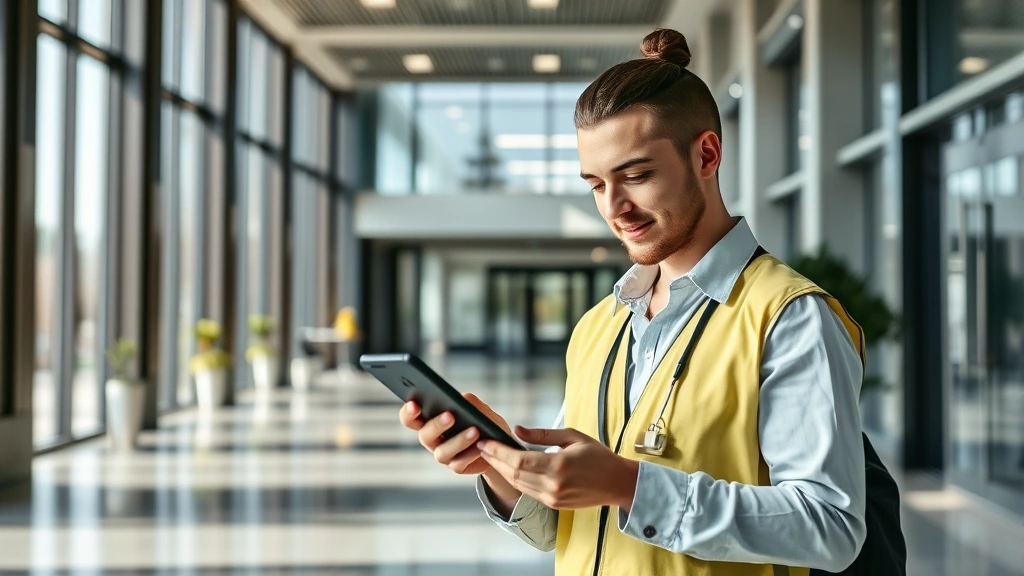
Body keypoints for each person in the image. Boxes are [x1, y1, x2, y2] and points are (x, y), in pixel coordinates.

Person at [399, 28, 867, 576]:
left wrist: (629, 484)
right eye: (596, 185)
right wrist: (497, 463)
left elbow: (830, 527)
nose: (615, 207)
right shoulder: (599, 325)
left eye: (637, 175)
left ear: (707, 155)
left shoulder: (789, 317)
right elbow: (560, 524)